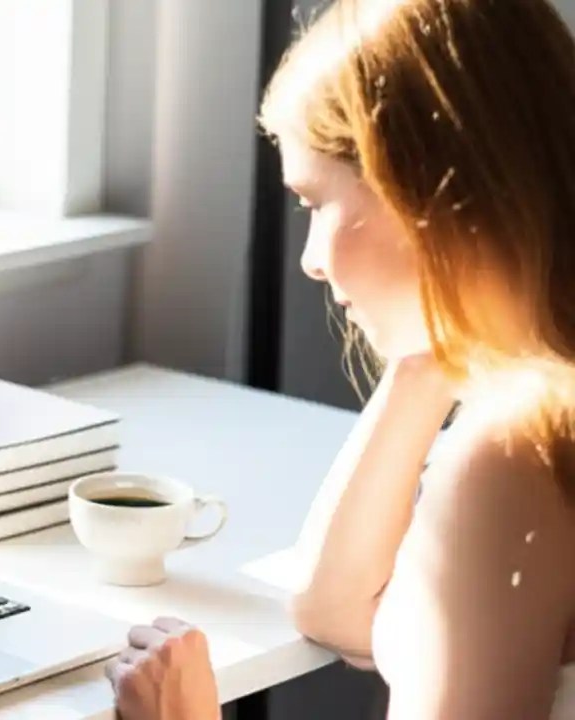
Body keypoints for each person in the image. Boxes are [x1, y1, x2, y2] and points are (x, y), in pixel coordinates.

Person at [106, 0, 575, 717]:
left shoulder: (512, 454)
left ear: (424, 186)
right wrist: (438, 338)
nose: (311, 261)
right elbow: (335, 607)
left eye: (318, 202)